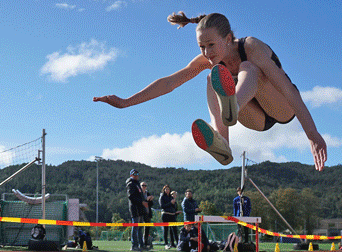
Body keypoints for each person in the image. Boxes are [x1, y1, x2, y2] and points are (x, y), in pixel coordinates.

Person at [94, 12, 327, 170]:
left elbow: (288, 90)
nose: (206, 53)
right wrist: (126, 102)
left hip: (281, 107)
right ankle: (222, 142)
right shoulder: (209, 61)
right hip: (255, 118)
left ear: (227, 39)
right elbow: (169, 83)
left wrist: (312, 133)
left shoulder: (252, 47)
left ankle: (232, 105)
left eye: (211, 45)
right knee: (211, 77)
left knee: (248, 68)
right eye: (201, 47)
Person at [125, 169, 146, 251]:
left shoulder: (137, 184)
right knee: (135, 226)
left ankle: (141, 244)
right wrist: (141, 202)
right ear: (131, 175)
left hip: (140, 208)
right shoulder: (131, 184)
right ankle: (134, 245)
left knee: (140, 227)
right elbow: (131, 196)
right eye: (134, 174)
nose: (136, 175)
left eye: (137, 174)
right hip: (135, 208)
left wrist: (143, 202)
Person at [159, 185, 180, 249]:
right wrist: (170, 203)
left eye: (168, 189)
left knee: (174, 229)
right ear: (164, 190)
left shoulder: (171, 197)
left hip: (172, 215)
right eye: (166, 189)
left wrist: (174, 204)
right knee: (166, 229)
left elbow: (174, 207)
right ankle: (166, 244)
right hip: (165, 214)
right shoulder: (162, 196)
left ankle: (177, 243)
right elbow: (162, 206)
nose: (167, 190)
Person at [140, 181, 154, 249]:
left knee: (147, 229)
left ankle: (145, 243)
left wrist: (150, 200)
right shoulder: (139, 193)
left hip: (147, 213)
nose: (144, 187)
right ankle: (139, 243)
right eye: (143, 185)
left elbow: (151, 204)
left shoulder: (147, 193)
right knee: (139, 228)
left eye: (145, 185)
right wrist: (146, 199)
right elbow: (139, 202)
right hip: (140, 213)